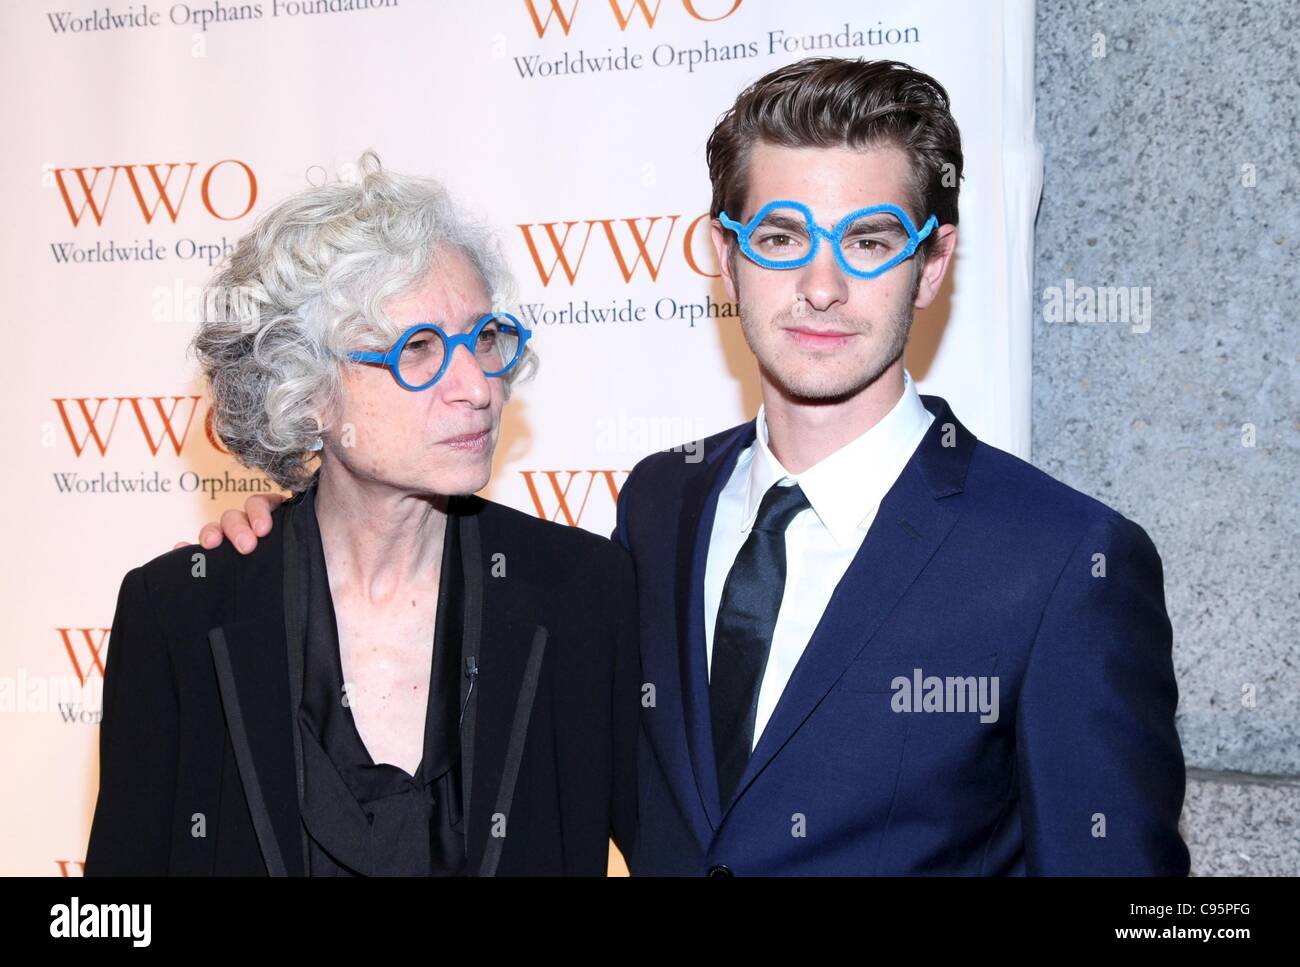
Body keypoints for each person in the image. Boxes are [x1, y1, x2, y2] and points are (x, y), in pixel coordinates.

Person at [193, 58, 1190, 876]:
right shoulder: (659, 506)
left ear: (932, 265)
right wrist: (300, 539)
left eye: (870, 241)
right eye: (782, 236)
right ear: (724, 253)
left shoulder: (1060, 562)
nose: (822, 285)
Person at [85, 151, 639, 876]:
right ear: (306, 390)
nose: (477, 386)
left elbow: (681, 847)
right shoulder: (180, 613)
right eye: (419, 349)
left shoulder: (580, 592)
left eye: (483, 338)